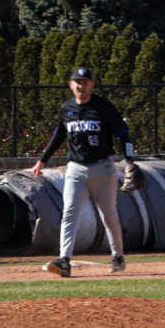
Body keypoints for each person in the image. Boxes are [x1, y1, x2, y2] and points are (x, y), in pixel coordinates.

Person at [29, 66, 138, 277]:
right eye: (77, 82)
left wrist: (130, 161)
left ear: (91, 85)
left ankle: (118, 257)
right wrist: (42, 161)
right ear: (71, 85)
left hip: (103, 168)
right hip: (75, 168)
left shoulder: (103, 106)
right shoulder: (67, 108)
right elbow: (59, 136)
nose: (81, 86)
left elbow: (123, 133)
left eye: (85, 82)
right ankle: (64, 261)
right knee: (70, 213)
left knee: (109, 215)